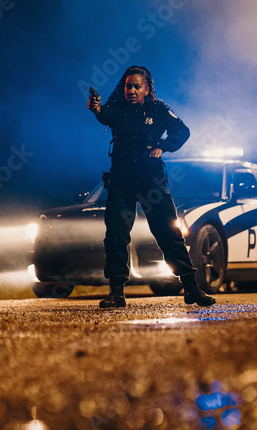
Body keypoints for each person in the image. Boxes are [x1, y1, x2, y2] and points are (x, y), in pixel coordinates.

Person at [87, 65, 215, 308]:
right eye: (128, 86)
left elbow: (182, 131)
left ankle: (191, 288)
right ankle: (117, 293)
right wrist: (96, 108)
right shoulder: (118, 110)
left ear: (147, 88)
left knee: (169, 234)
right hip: (121, 183)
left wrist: (163, 147)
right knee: (115, 236)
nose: (132, 91)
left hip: (151, 183)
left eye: (137, 86)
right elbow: (104, 114)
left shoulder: (159, 110)